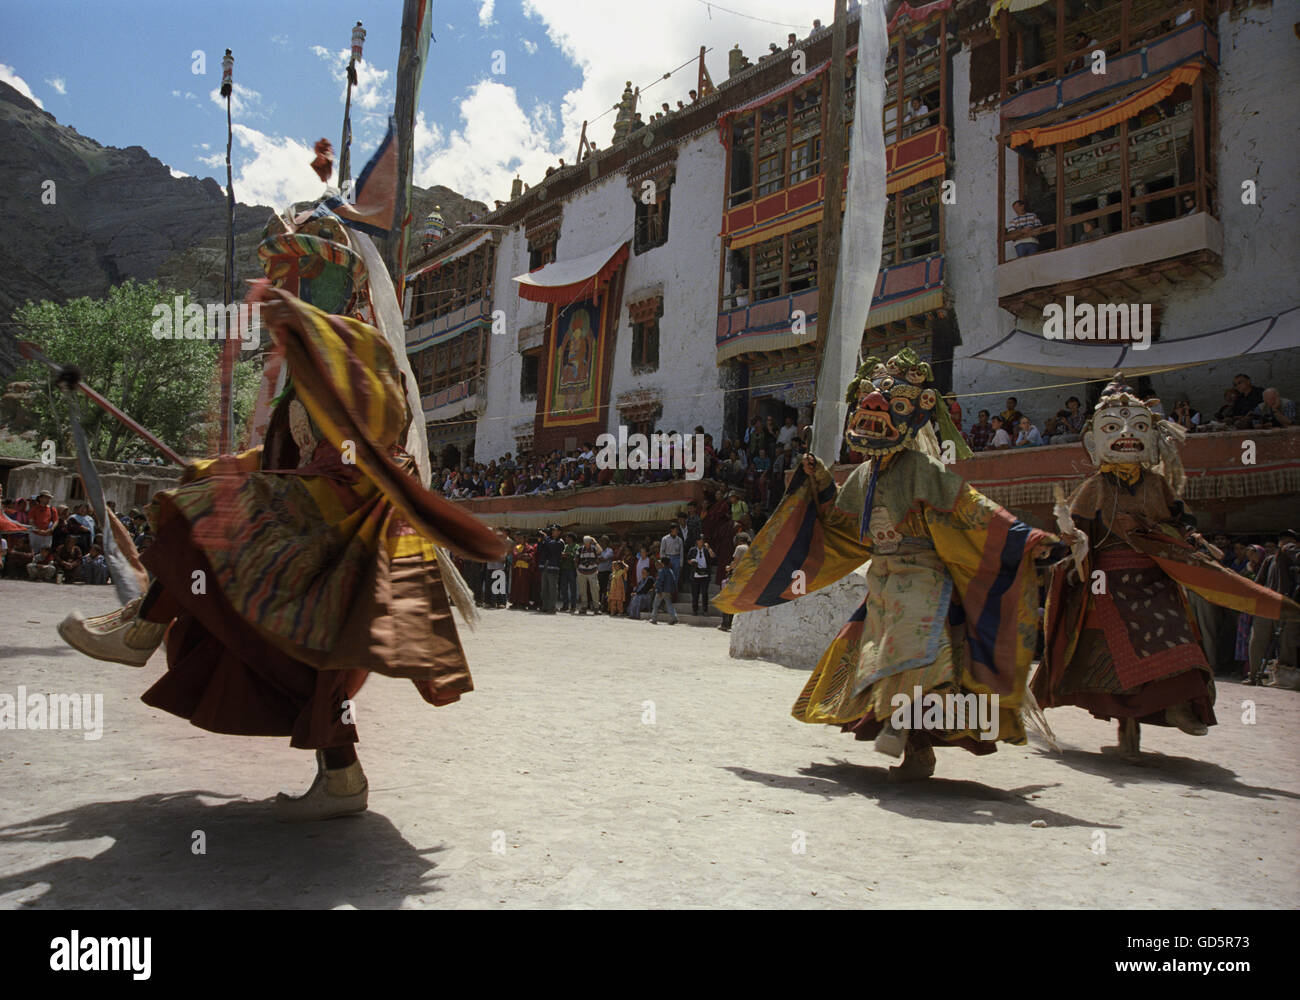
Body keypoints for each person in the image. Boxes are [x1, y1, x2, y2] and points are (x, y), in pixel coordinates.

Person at [56, 192, 505, 822]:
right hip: (311, 517)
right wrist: (224, 470)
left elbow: (364, 443)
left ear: (346, 281)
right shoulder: (304, 364)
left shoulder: (364, 351)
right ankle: (341, 777)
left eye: (311, 271)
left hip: (347, 522)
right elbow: (281, 462)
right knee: (293, 648)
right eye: (290, 273)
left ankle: (143, 630)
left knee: (303, 633)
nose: (295, 282)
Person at [716, 350, 1055, 780]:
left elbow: (972, 509)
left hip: (924, 577)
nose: (873, 411)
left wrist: (1027, 537)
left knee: (910, 648)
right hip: (882, 581)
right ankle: (912, 744)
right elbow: (843, 529)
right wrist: (821, 483)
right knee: (864, 652)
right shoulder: (863, 476)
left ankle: (905, 733)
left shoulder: (924, 468)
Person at [1034, 378, 1299, 759]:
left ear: (1154, 438)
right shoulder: (1093, 488)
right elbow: (1075, 535)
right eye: (1113, 428)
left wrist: (1188, 540)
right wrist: (1072, 539)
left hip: (1157, 577)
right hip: (1106, 583)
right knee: (1120, 659)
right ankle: (1129, 731)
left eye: (1139, 426)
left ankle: (1179, 704)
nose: (1127, 434)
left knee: (1179, 638)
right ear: (1094, 442)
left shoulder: (1158, 485)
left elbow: (1181, 521)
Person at [717, 531, 750, 632]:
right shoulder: (750, 548)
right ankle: (732, 623)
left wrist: (728, 568)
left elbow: (735, 562)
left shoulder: (740, 548)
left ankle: (725, 623)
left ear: (740, 540)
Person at [537, 524, 564, 613]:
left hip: (553, 567)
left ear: (559, 532)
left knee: (552, 588)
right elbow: (540, 550)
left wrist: (546, 538)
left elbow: (553, 547)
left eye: (554, 530)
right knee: (544, 588)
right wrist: (541, 540)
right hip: (545, 566)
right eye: (551, 530)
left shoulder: (560, 541)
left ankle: (552, 607)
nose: (552, 532)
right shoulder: (547, 540)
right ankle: (545, 606)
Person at [685, 537, 714, 616]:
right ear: (697, 542)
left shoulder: (706, 550)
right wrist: (692, 562)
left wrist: (708, 548)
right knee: (695, 594)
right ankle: (695, 610)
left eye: (702, 541)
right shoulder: (692, 550)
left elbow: (713, 556)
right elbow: (688, 560)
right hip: (695, 574)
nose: (701, 542)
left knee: (704, 593)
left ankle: (705, 610)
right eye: (699, 541)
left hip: (705, 574)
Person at [27, 490, 58, 561]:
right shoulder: (34, 509)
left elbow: (55, 520)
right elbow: (31, 521)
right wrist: (38, 530)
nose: (47, 500)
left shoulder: (52, 509)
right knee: (34, 553)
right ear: (40, 498)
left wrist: (51, 529)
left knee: (45, 553)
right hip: (36, 534)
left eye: (48, 498)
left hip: (47, 535)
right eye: (45, 497)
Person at [647, 557, 679, 625]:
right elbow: (674, 581)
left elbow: (660, 581)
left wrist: (658, 591)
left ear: (662, 563)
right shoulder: (670, 571)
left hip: (661, 591)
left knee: (655, 605)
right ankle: (674, 618)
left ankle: (654, 619)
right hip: (668, 591)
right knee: (669, 604)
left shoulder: (661, 571)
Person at [576, 535, 601, 614]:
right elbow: (576, 560)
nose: (587, 543)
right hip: (581, 572)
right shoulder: (579, 549)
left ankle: (596, 607)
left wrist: (595, 542)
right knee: (582, 590)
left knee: (595, 590)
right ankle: (584, 607)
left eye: (588, 542)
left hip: (592, 572)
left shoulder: (594, 548)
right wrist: (577, 570)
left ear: (590, 542)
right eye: (585, 542)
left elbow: (600, 551)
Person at [659, 523, 684, 599]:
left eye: (677, 529)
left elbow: (681, 552)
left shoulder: (679, 540)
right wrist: (663, 562)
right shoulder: (665, 539)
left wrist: (681, 564)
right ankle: (666, 596)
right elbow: (662, 551)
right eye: (675, 529)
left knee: (675, 578)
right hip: (667, 558)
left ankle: (673, 596)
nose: (676, 531)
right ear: (671, 530)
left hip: (676, 558)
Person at [559, 531, 580, 612]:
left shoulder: (577, 546)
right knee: (563, 588)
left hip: (572, 569)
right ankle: (565, 605)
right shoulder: (565, 546)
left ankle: (573, 606)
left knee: (573, 588)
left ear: (571, 538)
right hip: (564, 569)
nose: (566, 539)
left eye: (567, 537)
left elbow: (576, 555)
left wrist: (568, 555)